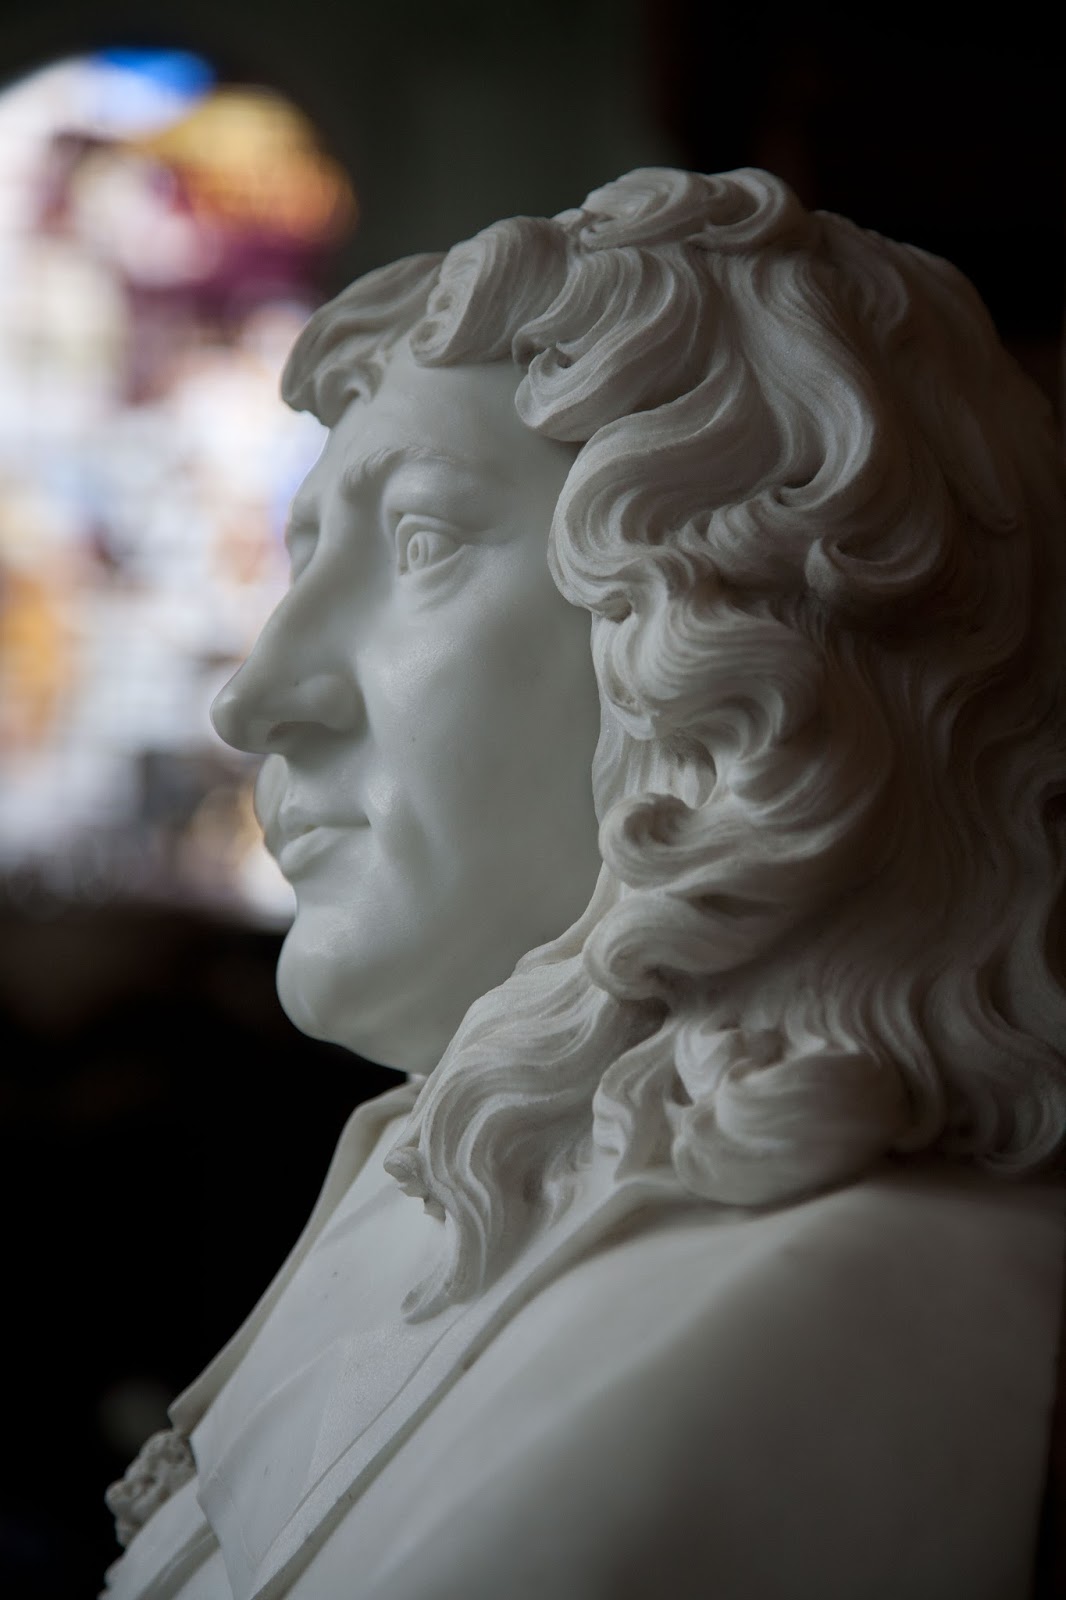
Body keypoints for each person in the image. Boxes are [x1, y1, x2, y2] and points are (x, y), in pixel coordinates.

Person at [104, 166, 1066, 1600]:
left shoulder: (843, 1314)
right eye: (306, 558)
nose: (256, 698)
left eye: (423, 541)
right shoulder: (443, 1179)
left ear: (749, 640)